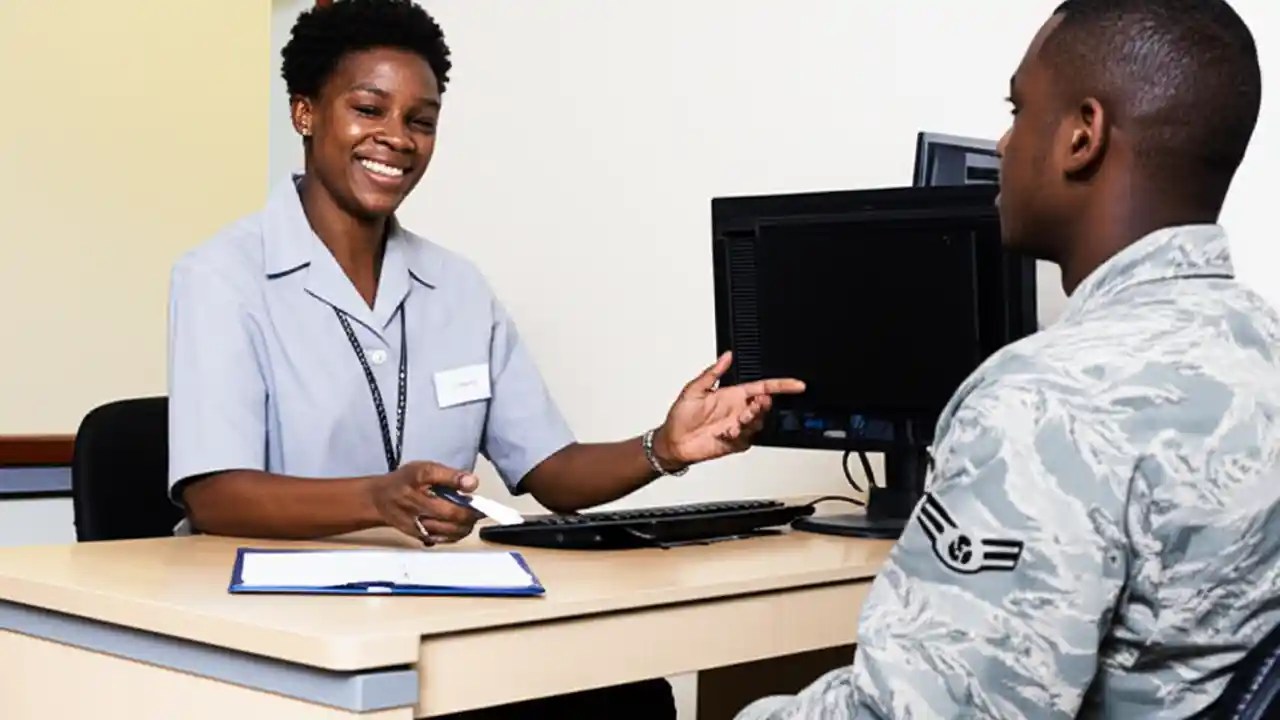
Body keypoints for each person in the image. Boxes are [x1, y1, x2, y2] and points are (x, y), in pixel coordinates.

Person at [165, 1, 804, 717]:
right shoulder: (222, 276)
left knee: (629, 698)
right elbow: (213, 496)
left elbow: (551, 472)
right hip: (275, 633)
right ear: (305, 112)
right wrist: (377, 498)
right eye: (369, 108)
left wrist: (666, 445)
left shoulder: (459, 287)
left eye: (421, 120)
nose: (397, 139)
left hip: (434, 619)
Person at [736, 1, 1280, 718]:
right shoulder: (1262, 348)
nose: (1003, 142)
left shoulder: (1043, 404)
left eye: (1019, 110)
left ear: (1083, 135)